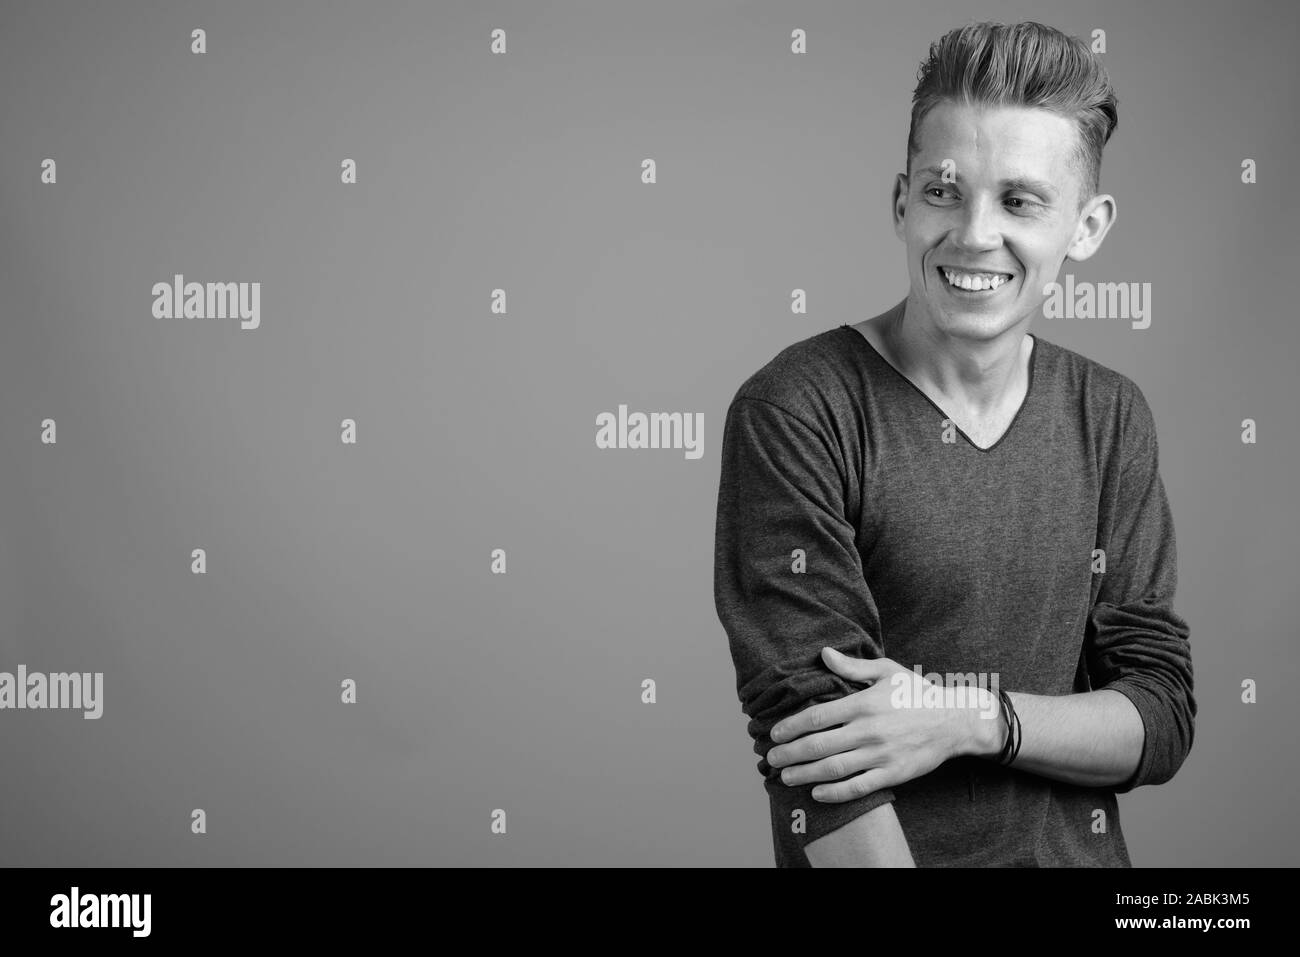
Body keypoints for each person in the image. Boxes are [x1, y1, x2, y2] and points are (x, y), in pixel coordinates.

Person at [712, 20, 1194, 867]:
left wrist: (967, 718)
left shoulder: (1112, 416)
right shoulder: (797, 409)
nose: (974, 233)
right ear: (902, 201)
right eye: (944, 190)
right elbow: (823, 761)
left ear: (1086, 228)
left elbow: (1157, 715)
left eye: (1019, 200)